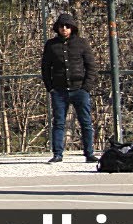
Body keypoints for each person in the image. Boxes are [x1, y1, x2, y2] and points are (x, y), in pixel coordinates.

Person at [40, 12, 98, 164]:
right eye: (61, 26)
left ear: (72, 28)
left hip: (80, 89)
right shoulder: (51, 45)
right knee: (59, 123)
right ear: (57, 28)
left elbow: (91, 66)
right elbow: (45, 68)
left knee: (85, 122)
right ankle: (58, 153)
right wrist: (50, 88)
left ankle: (89, 153)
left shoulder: (82, 43)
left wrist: (86, 87)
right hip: (59, 91)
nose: (64, 29)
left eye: (67, 26)